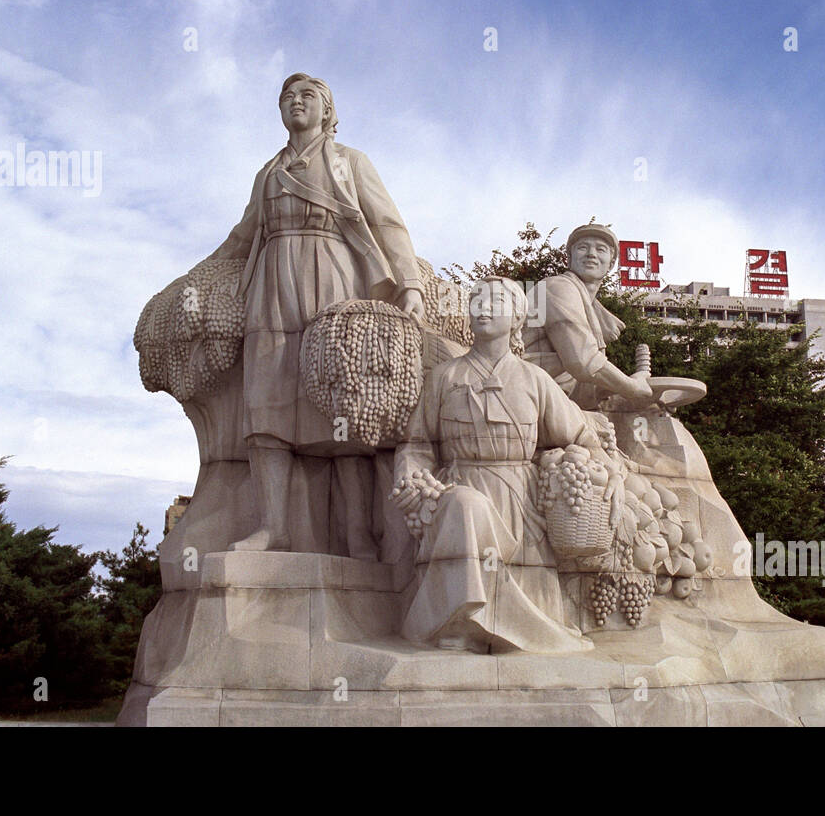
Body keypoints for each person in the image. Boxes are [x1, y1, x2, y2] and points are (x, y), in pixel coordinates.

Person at [207, 73, 425, 554]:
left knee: (341, 399)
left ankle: (356, 532)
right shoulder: (268, 172)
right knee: (266, 403)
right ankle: (273, 527)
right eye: (287, 97)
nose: (295, 102)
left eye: (307, 96)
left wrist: (409, 283)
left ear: (327, 110)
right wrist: (197, 277)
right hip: (270, 285)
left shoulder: (350, 162)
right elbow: (243, 238)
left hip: (334, 277)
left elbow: (388, 223)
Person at [392, 278, 621, 654]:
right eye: (477, 301)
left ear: (517, 317)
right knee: (466, 506)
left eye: (496, 302)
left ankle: (516, 628)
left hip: (520, 496)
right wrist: (409, 475)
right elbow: (417, 445)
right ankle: (461, 619)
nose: (483, 308)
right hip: (460, 485)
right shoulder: (445, 377)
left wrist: (603, 470)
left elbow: (583, 439)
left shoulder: (535, 379)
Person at [522, 223, 654, 410]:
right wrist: (631, 388)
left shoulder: (588, 305)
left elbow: (582, 386)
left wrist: (642, 400)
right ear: (569, 258)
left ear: (611, 263)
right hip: (525, 395)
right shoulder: (557, 288)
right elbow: (582, 361)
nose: (591, 254)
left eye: (601, 249)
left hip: (553, 398)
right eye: (583, 247)